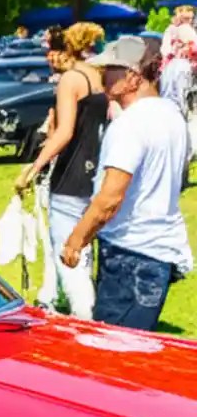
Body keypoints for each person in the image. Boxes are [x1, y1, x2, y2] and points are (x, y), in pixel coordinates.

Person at [62, 36, 193, 331]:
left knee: (111, 355)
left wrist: (76, 240)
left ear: (133, 77)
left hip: (130, 256)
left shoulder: (130, 124)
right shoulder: (172, 116)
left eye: (111, 69)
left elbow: (110, 197)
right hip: (157, 253)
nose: (103, 76)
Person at [15, 22, 106, 319]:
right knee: (85, 250)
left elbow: (64, 132)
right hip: (98, 174)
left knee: (68, 256)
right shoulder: (102, 78)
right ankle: (86, 311)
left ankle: (85, 322)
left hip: (70, 176)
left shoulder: (72, 80)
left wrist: (33, 167)